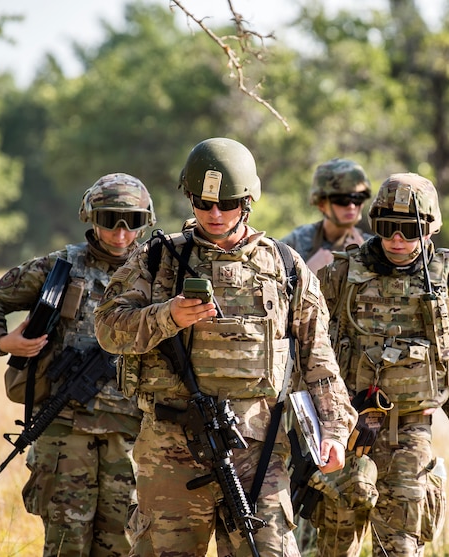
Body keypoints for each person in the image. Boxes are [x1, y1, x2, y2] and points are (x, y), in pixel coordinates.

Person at [93, 137, 357, 557]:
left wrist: (335, 431)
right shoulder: (157, 260)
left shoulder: (286, 267)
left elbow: (317, 360)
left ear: (248, 200)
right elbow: (108, 328)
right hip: (169, 451)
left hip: (259, 450)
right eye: (203, 202)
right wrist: (168, 317)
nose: (214, 214)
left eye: (227, 203)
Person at [313, 172, 449, 556]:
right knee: (334, 544)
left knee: (399, 546)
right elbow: (306, 337)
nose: (396, 240)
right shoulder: (341, 274)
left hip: (409, 431)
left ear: (430, 229)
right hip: (346, 427)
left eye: (408, 229)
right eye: (386, 228)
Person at [0, 173, 157, 557]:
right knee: (65, 544)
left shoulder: (158, 273)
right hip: (64, 432)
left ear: (145, 222)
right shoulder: (59, 269)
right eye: (110, 220)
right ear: (91, 216)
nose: (121, 233)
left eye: (132, 222)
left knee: (123, 544)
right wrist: (7, 341)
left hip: (132, 433)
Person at [281, 158, 372, 274]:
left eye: (358, 198)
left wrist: (364, 263)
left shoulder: (373, 248)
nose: (351, 206)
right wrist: (308, 273)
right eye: (342, 200)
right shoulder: (296, 242)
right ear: (321, 204)